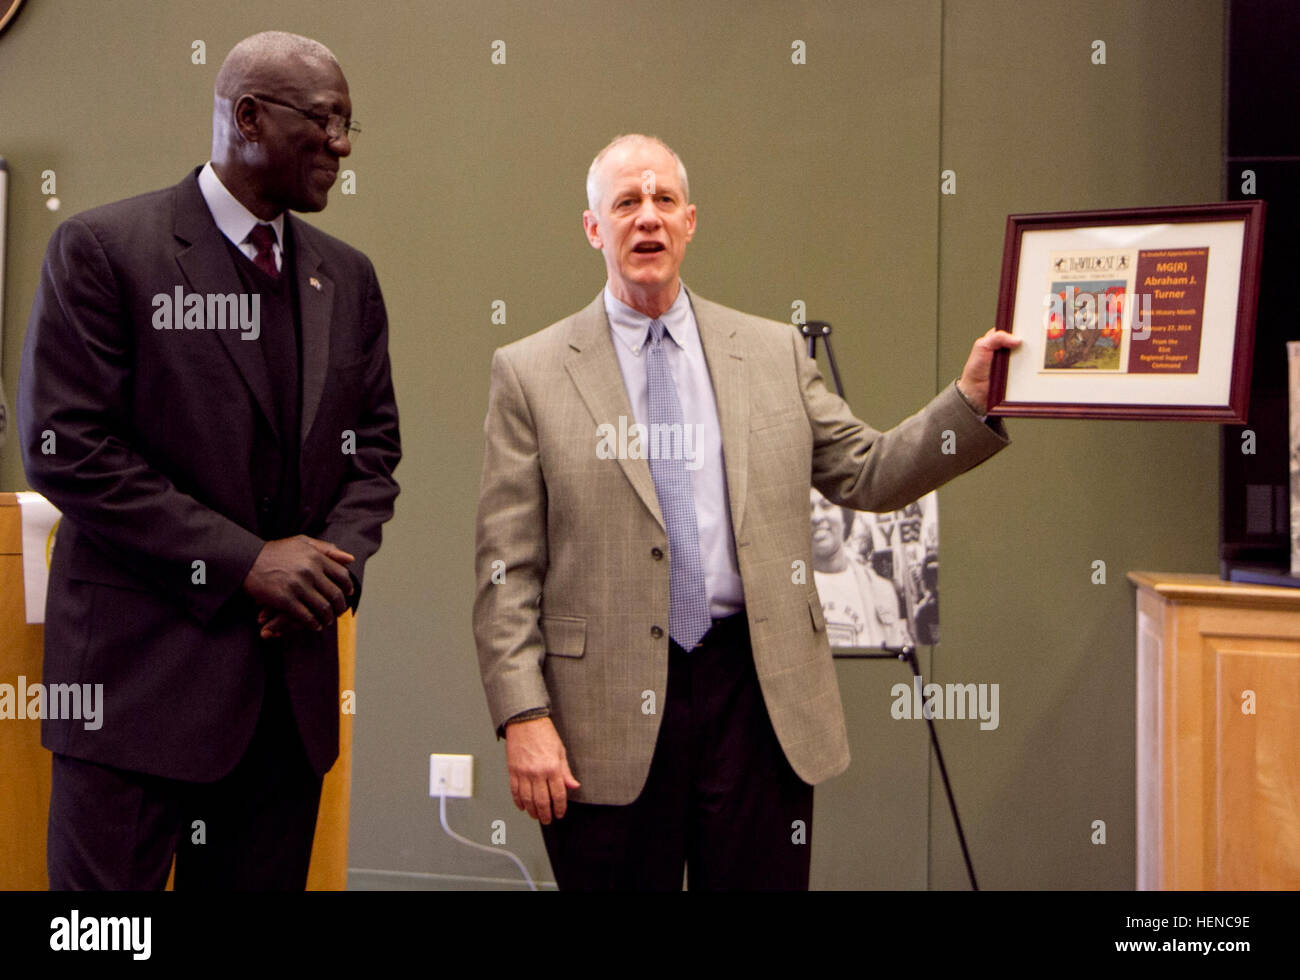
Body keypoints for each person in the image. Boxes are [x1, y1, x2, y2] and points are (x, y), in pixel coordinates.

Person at [473, 133, 1017, 890]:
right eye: (626, 202)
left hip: (756, 698)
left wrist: (969, 404)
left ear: (691, 221)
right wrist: (523, 716)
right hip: (602, 712)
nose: (648, 218)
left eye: (664, 200)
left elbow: (870, 473)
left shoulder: (770, 352)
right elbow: (507, 572)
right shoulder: (529, 373)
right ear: (594, 228)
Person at [18, 31, 401, 890]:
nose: (341, 145)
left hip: (284, 707)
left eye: (349, 125)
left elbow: (372, 453)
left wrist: (330, 568)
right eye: (325, 120)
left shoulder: (348, 278)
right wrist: (249, 564)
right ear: (249, 116)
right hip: (135, 696)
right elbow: (68, 449)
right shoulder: (104, 251)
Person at [809, 488, 909, 649]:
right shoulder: (787, 590)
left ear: (845, 518)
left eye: (826, 506)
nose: (817, 517)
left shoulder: (882, 590)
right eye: (807, 509)